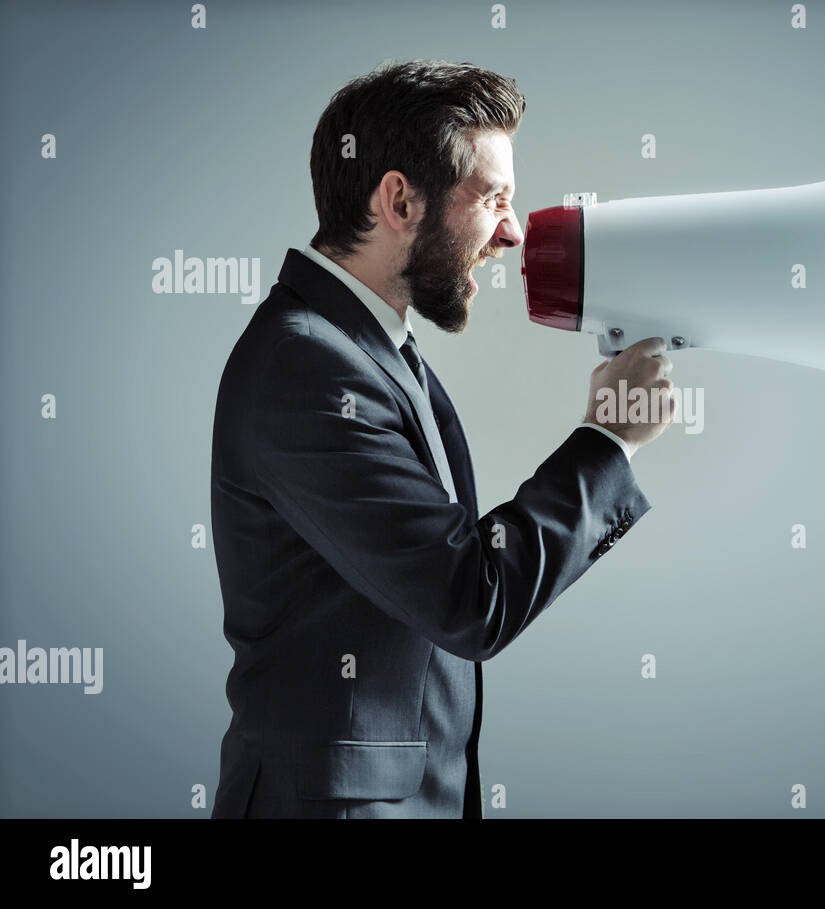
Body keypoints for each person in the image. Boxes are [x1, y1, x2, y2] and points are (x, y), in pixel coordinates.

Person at [209, 60, 675, 818]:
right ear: (398, 198)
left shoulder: (366, 350)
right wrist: (607, 442)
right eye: (493, 198)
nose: (514, 232)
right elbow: (470, 596)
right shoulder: (308, 364)